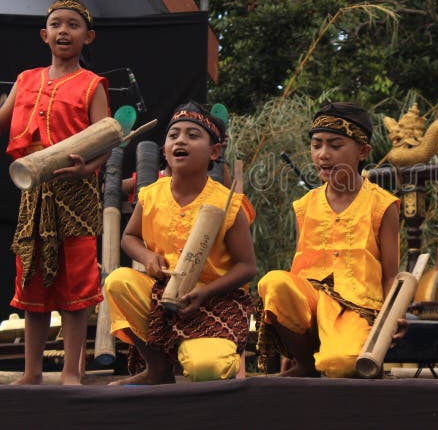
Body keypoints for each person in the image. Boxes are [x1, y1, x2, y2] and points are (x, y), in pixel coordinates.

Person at [103, 102, 257, 384]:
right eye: (173, 135)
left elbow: (247, 267)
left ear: (214, 152)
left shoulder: (228, 203)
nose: (180, 140)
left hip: (214, 300)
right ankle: (157, 370)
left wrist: (205, 292)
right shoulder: (151, 194)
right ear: (165, 150)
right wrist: (148, 258)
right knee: (118, 281)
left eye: (192, 135)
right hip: (161, 294)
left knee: (207, 369)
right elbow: (129, 237)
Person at [0, 0, 109, 385]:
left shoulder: (91, 84)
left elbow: (105, 140)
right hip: (34, 190)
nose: (64, 30)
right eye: (57, 25)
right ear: (44, 35)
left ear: (88, 36)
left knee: (76, 279)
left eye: (73, 25)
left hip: (76, 193)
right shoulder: (27, 80)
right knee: (31, 275)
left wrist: (87, 168)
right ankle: (31, 372)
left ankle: (70, 372)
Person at [255, 102, 400, 377]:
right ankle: (304, 363)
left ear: (363, 151)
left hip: (357, 306)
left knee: (341, 364)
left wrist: (392, 316)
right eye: (316, 145)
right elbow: (298, 268)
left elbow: (391, 276)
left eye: (335, 145)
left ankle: (329, 355)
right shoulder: (305, 205)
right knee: (273, 282)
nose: (323, 154)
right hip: (310, 298)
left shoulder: (383, 205)